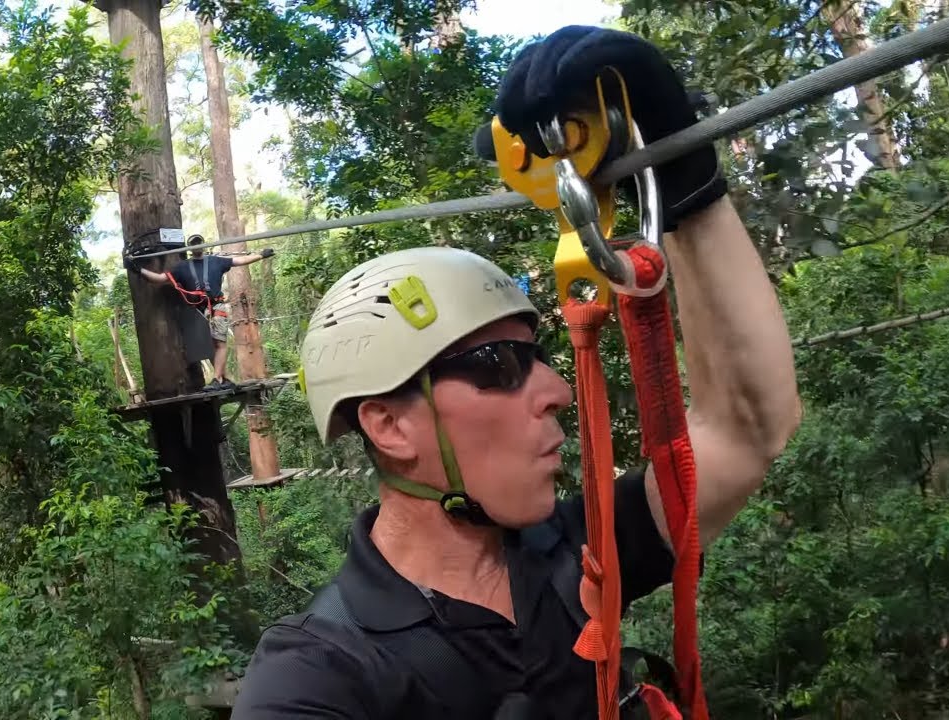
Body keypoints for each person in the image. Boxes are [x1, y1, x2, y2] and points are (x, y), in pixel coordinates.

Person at [232, 26, 801, 720]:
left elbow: (747, 429)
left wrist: (684, 183)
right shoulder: (318, 677)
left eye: (537, 358)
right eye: (497, 366)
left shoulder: (577, 552)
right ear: (388, 425)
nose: (557, 391)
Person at [133, 234, 274, 389]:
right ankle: (223, 379)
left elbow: (239, 260)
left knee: (219, 342)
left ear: (203, 244)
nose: (197, 245)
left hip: (216, 306)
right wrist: (138, 270)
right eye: (193, 244)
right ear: (189, 248)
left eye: (199, 242)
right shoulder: (182, 267)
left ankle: (217, 379)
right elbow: (160, 278)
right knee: (208, 345)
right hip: (198, 310)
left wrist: (261, 255)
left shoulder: (216, 261)